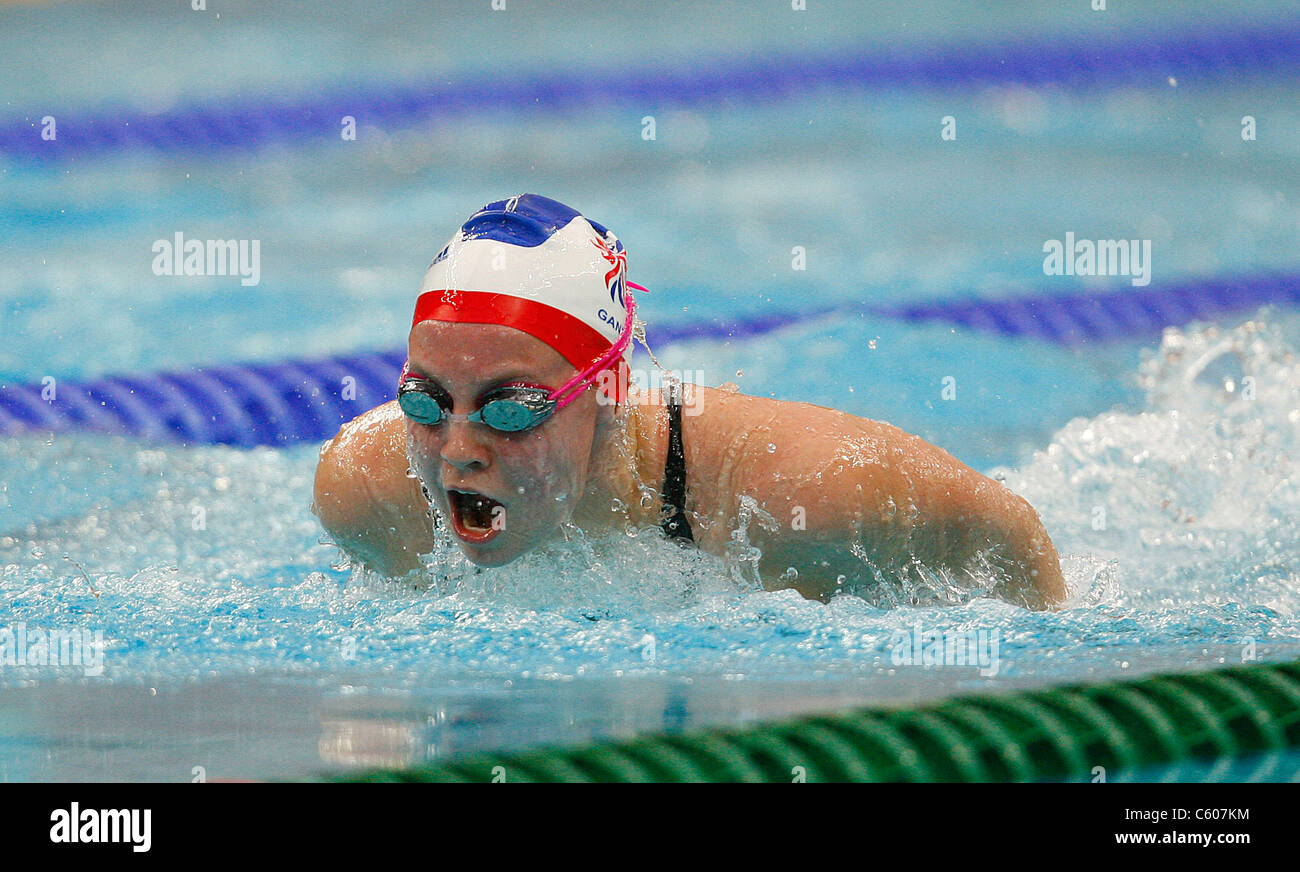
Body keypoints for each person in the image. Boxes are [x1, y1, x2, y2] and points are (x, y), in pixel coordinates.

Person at [313, 194, 1067, 609]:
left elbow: (1005, 528)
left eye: (511, 407)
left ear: (609, 387)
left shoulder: (801, 494)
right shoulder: (371, 493)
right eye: (426, 400)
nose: (457, 449)